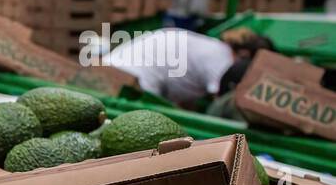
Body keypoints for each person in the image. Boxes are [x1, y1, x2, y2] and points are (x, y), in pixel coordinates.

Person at [102, 26, 274, 111]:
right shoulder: (222, 59)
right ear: (244, 54)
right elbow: (222, 104)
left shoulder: (211, 47)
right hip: (135, 81)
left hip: (113, 67)